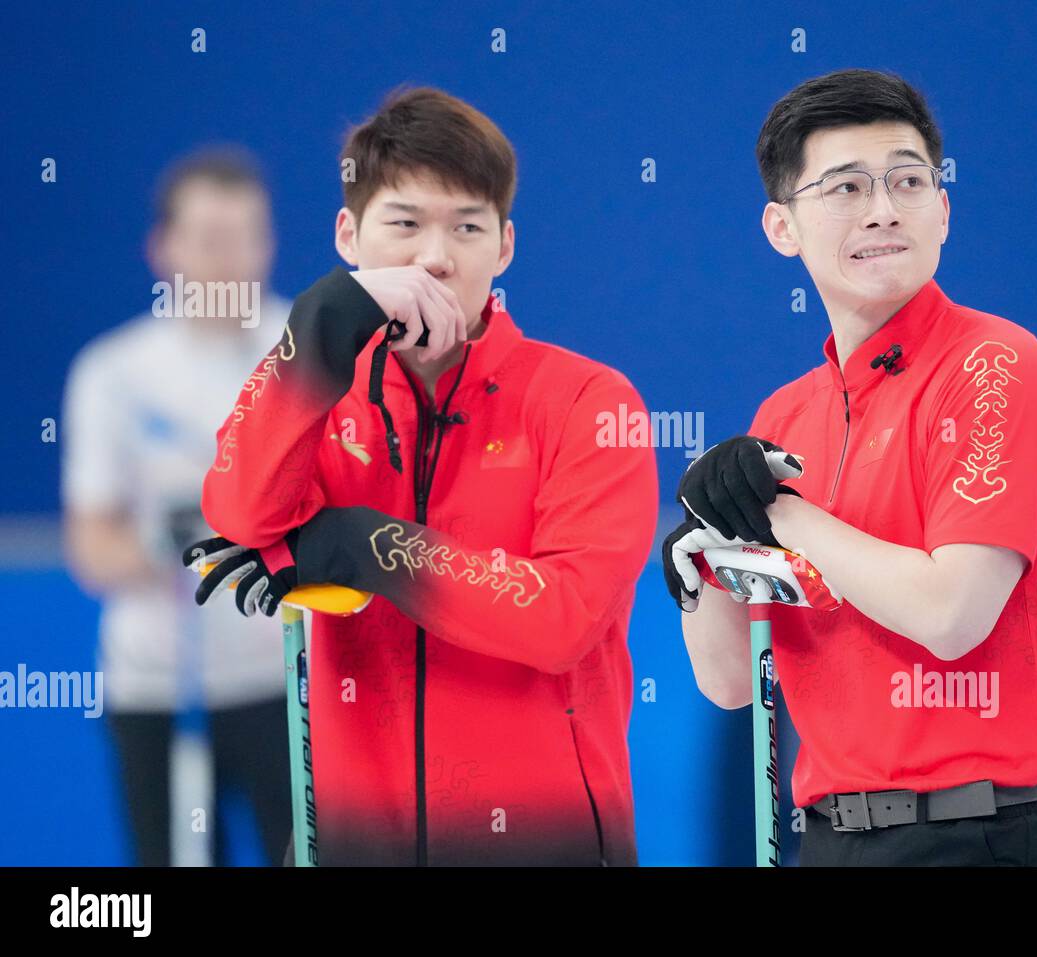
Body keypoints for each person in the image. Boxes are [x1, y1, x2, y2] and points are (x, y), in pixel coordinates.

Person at [182, 86, 658, 866]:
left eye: (468, 227)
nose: (434, 257)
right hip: (358, 841)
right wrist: (322, 327)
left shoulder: (588, 400)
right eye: (403, 223)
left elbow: (564, 618)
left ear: (504, 247)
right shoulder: (319, 402)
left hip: (547, 843)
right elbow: (239, 514)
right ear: (349, 236)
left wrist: (368, 546)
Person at [663, 69, 1037, 866]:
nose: (882, 209)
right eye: (845, 187)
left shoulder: (999, 368)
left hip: (989, 838)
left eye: (907, 179)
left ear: (943, 208)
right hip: (833, 836)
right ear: (780, 226)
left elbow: (952, 616)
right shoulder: (784, 419)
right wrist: (695, 557)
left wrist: (780, 513)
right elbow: (729, 682)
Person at [62, 146, 293, 865]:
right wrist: (180, 545)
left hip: (284, 682)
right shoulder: (113, 373)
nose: (228, 259)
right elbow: (93, 548)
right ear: (164, 247)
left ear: (269, 243)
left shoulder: (308, 354)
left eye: (244, 236)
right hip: (157, 687)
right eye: (208, 238)